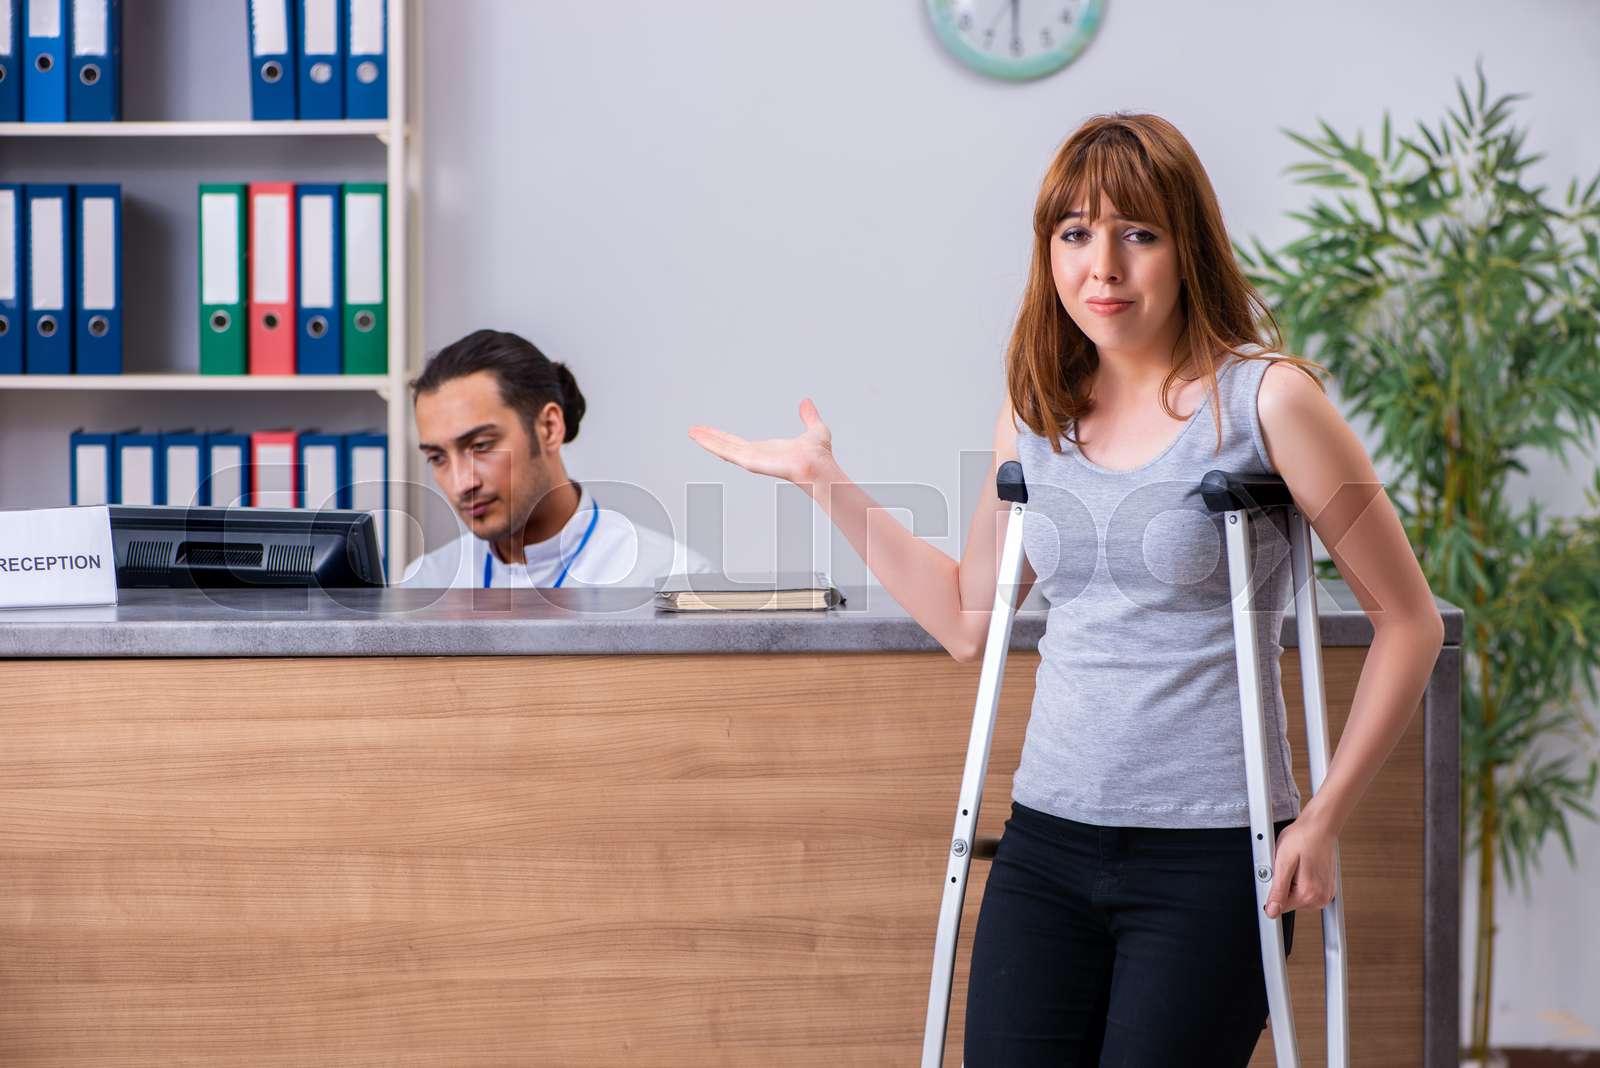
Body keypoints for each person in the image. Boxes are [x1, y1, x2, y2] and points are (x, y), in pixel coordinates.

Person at [687, 112, 1445, 1065]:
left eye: (1139, 234)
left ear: (1188, 247)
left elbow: (1408, 623)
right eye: (1076, 234)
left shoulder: (1269, 400)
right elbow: (968, 620)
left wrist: (1324, 818)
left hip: (1212, 854)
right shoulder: (1037, 408)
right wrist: (823, 480)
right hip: (1047, 844)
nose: (1104, 268)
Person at [403, 329, 714, 589]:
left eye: (481, 446)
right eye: (437, 458)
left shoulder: (671, 580)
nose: (461, 484)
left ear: (549, 428)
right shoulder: (426, 583)